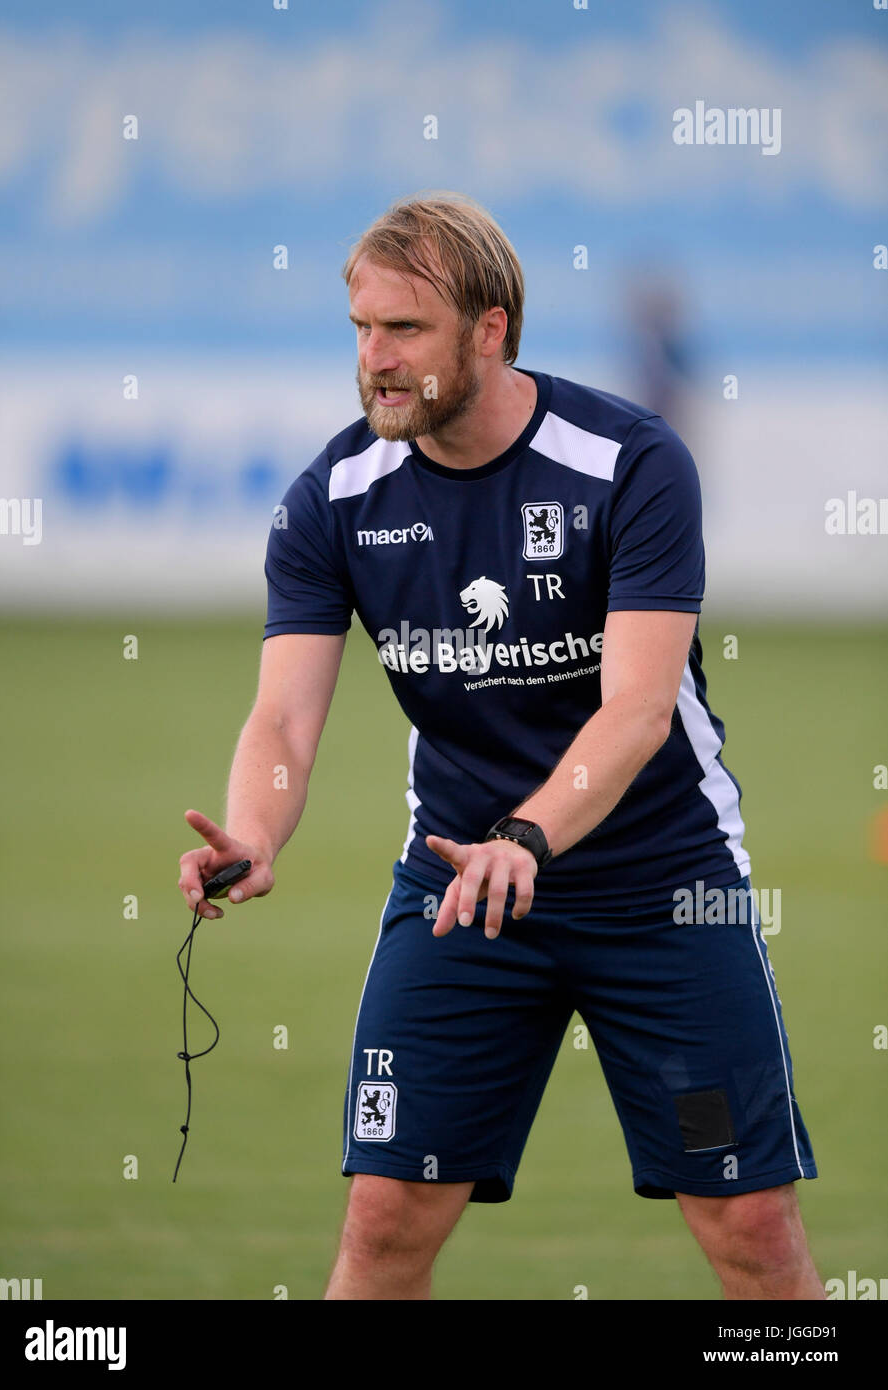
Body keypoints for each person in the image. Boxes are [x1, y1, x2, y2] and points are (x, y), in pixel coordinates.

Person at [178, 192, 822, 1301]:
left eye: (405, 331)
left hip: (663, 892)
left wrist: (528, 834)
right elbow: (282, 719)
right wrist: (256, 827)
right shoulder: (332, 501)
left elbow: (634, 709)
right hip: (459, 891)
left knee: (751, 1226)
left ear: (491, 329)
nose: (375, 361)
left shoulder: (630, 462)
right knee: (381, 1225)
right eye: (361, 332)